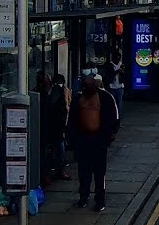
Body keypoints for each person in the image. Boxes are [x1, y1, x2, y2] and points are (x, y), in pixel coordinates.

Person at [70, 68, 120, 212]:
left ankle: (100, 200)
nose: (86, 87)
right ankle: (83, 197)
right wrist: (73, 139)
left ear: (95, 85)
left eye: (90, 85)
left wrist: (110, 135)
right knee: (83, 173)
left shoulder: (105, 97)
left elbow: (115, 117)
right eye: (85, 85)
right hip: (83, 141)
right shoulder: (78, 99)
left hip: (99, 141)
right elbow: (72, 120)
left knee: (99, 174)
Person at [41, 73, 71, 183]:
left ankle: (60, 170)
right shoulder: (43, 92)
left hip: (57, 126)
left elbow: (63, 109)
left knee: (60, 148)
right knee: (47, 151)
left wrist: (63, 126)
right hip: (46, 126)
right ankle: (46, 173)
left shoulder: (58, 92)